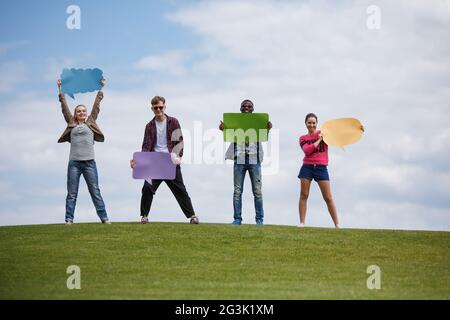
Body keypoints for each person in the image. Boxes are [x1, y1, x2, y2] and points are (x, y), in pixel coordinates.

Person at [130, 96, 199, 224]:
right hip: (154, 162)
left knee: (180, 189)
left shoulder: (173, 122)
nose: (158, 110)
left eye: (160, 107)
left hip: (170, 161)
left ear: (164, 107)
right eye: (155, 108)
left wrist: (178, 156)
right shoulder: (149, 126)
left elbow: (179, 140)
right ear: (152, 109)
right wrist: (138, 161)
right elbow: (146, 146)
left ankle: (192, 216)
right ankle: (144, 216)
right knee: (147, 188)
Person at [57, 78, 110, 225]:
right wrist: (60, 89)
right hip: (74, 163)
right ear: (75, 114)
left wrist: (101, 88)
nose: (81, 112)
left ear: (86, 114)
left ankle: (104, 219)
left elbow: (96, 106)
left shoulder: (91, 122)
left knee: (95, 191)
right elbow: (64, 106)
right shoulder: (71, 123)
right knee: (72, 193)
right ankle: (69, 219)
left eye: (83, 111)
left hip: (89, 163)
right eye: (79, 111)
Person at [298, 113, 364, 228]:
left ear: (317, 123)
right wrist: (319, 140)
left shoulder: (324, 133)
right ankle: (302, 223)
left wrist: (357, 129)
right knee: (304, 195)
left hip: (321, 167)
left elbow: (341, 132)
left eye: (314, 123)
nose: (311, 125)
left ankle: (337, 224)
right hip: (307, 167)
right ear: (305, 124)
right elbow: (307, 150)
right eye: (309, 122)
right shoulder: (303, 138)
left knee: (328, 197)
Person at [219, 99, 272, 226]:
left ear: (253, 109)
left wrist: (268, 129)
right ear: (240, 109)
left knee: (257, 191)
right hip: (240, 157)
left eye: (249, 106)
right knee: (237, 191)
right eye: (244, 106)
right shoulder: (236, 122)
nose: (247, 108)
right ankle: (237, 219)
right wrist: (223, 129)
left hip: (254, 158)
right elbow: (228, 134)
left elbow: (264, 136)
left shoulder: (257, 123)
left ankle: (259, 220)